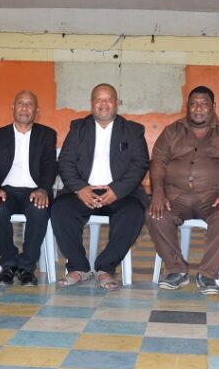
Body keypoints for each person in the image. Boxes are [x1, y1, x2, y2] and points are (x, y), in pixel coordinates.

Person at [147, 86, 219, 294]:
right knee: (155, 215)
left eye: (204, 104)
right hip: (175, 195)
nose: (198, 108)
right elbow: (158, 162)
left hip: (214, 196)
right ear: (188, 107)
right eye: (193, 104)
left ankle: (208, 274)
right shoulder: (172, 131)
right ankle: (177, 270)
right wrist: (157, 191)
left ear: (213, 107)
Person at [51, 83, 149, 290]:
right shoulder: (78, 128)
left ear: (117, 103)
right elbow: (65, 162)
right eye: (98, 99)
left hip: (121, 193)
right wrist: (80, 189)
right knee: (61, 209)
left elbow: (140, 164)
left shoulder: (133, 130)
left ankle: (106, 268)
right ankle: (78, 267)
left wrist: (117, 190)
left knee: (133, 213)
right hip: (83, 191)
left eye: (108, 99)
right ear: (91, 103)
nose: (103, 104)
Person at [0, 90, 58, 285]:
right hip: (6, 190)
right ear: (13, 108)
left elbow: (50, 166)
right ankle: (9, 264)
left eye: (29, 104)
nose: (25, 107)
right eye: (20, 103)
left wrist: (43, 188)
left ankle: (26, 267)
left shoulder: (47, 135)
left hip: (35, 191)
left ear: (37, 110)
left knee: (39, 211)